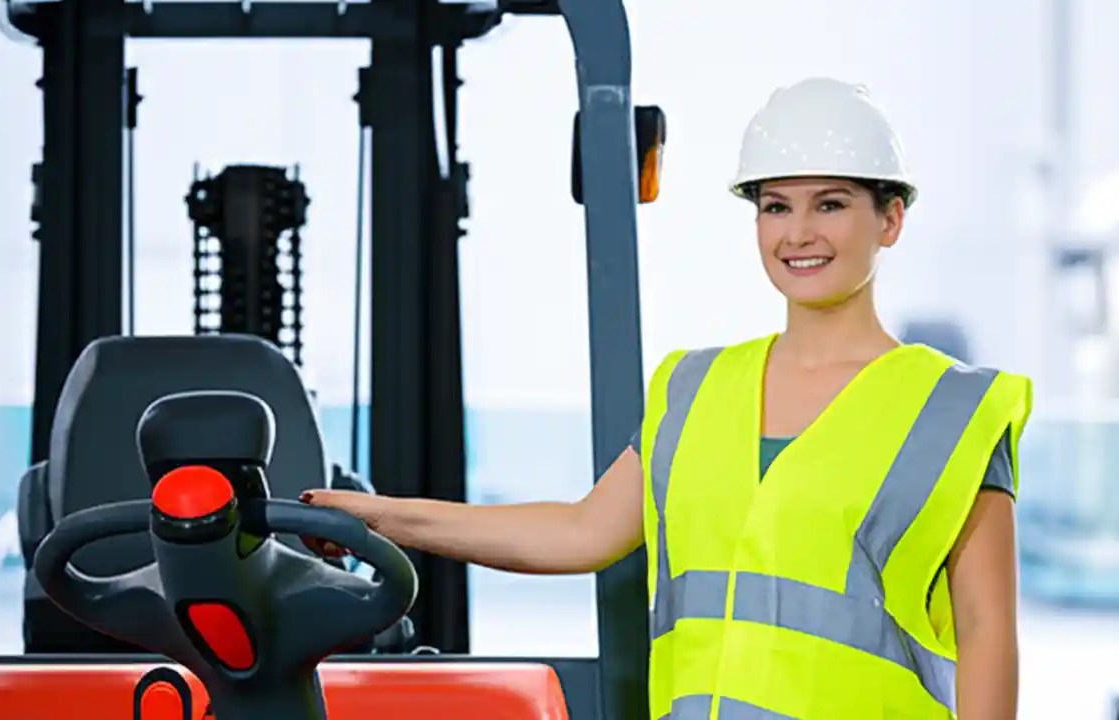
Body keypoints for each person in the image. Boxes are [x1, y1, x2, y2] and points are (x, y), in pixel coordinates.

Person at [301, 77, 1031, 719]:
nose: (799, 234)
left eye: (831, 204)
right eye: (775, 207)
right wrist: (378, 517)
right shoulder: (694, 389)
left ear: (891, 219)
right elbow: (578, 533)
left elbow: (986, 627)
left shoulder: (952, 411)